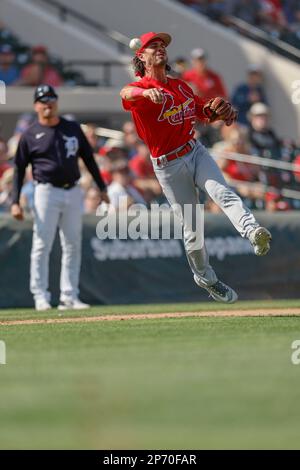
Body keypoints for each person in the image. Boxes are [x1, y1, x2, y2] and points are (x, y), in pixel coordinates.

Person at [120, 31, 272, 303]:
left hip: (194, 150)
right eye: (152, 47)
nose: (160, 49)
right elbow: (124, 93)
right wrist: (144, 93)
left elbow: (203, 112)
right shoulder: (141, 89)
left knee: (222, 192)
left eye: (162, 45)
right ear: (141, 57)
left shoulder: (181, 86)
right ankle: (205, 278)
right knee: (192, 228)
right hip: (167, 165)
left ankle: (253, 232)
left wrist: (218, 112)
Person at [11, 84, 109, 311]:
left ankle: (69, 295)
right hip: (45, 190)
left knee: (72, 244)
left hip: (73, 190)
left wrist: (102, 187)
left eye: (51, 99)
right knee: (42, 244)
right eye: (43, 100)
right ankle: (40, 296)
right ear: (36, 105)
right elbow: (18, 168)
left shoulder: (72, 128)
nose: (48, 104)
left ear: (56, 102)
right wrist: (15, 201)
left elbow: (89, 159)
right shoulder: (30, 134)